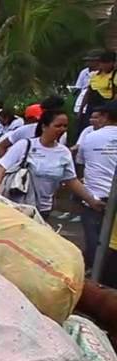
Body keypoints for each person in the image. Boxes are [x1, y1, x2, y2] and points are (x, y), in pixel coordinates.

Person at [0, 109, 104, 220]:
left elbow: (72, 181)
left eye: (65, 126)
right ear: (44, 126)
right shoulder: (24, 145)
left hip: (43, 210)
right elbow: (1, 171)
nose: (62, 129)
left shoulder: (64, 152)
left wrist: (91, 201)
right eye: (58, 126)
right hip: (16, 208)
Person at [76, 102, 117, 265]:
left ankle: (93, 278)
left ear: (106, 116)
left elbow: (81, 163)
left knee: (95, 243)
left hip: (94, 198)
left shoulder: (90, 137)